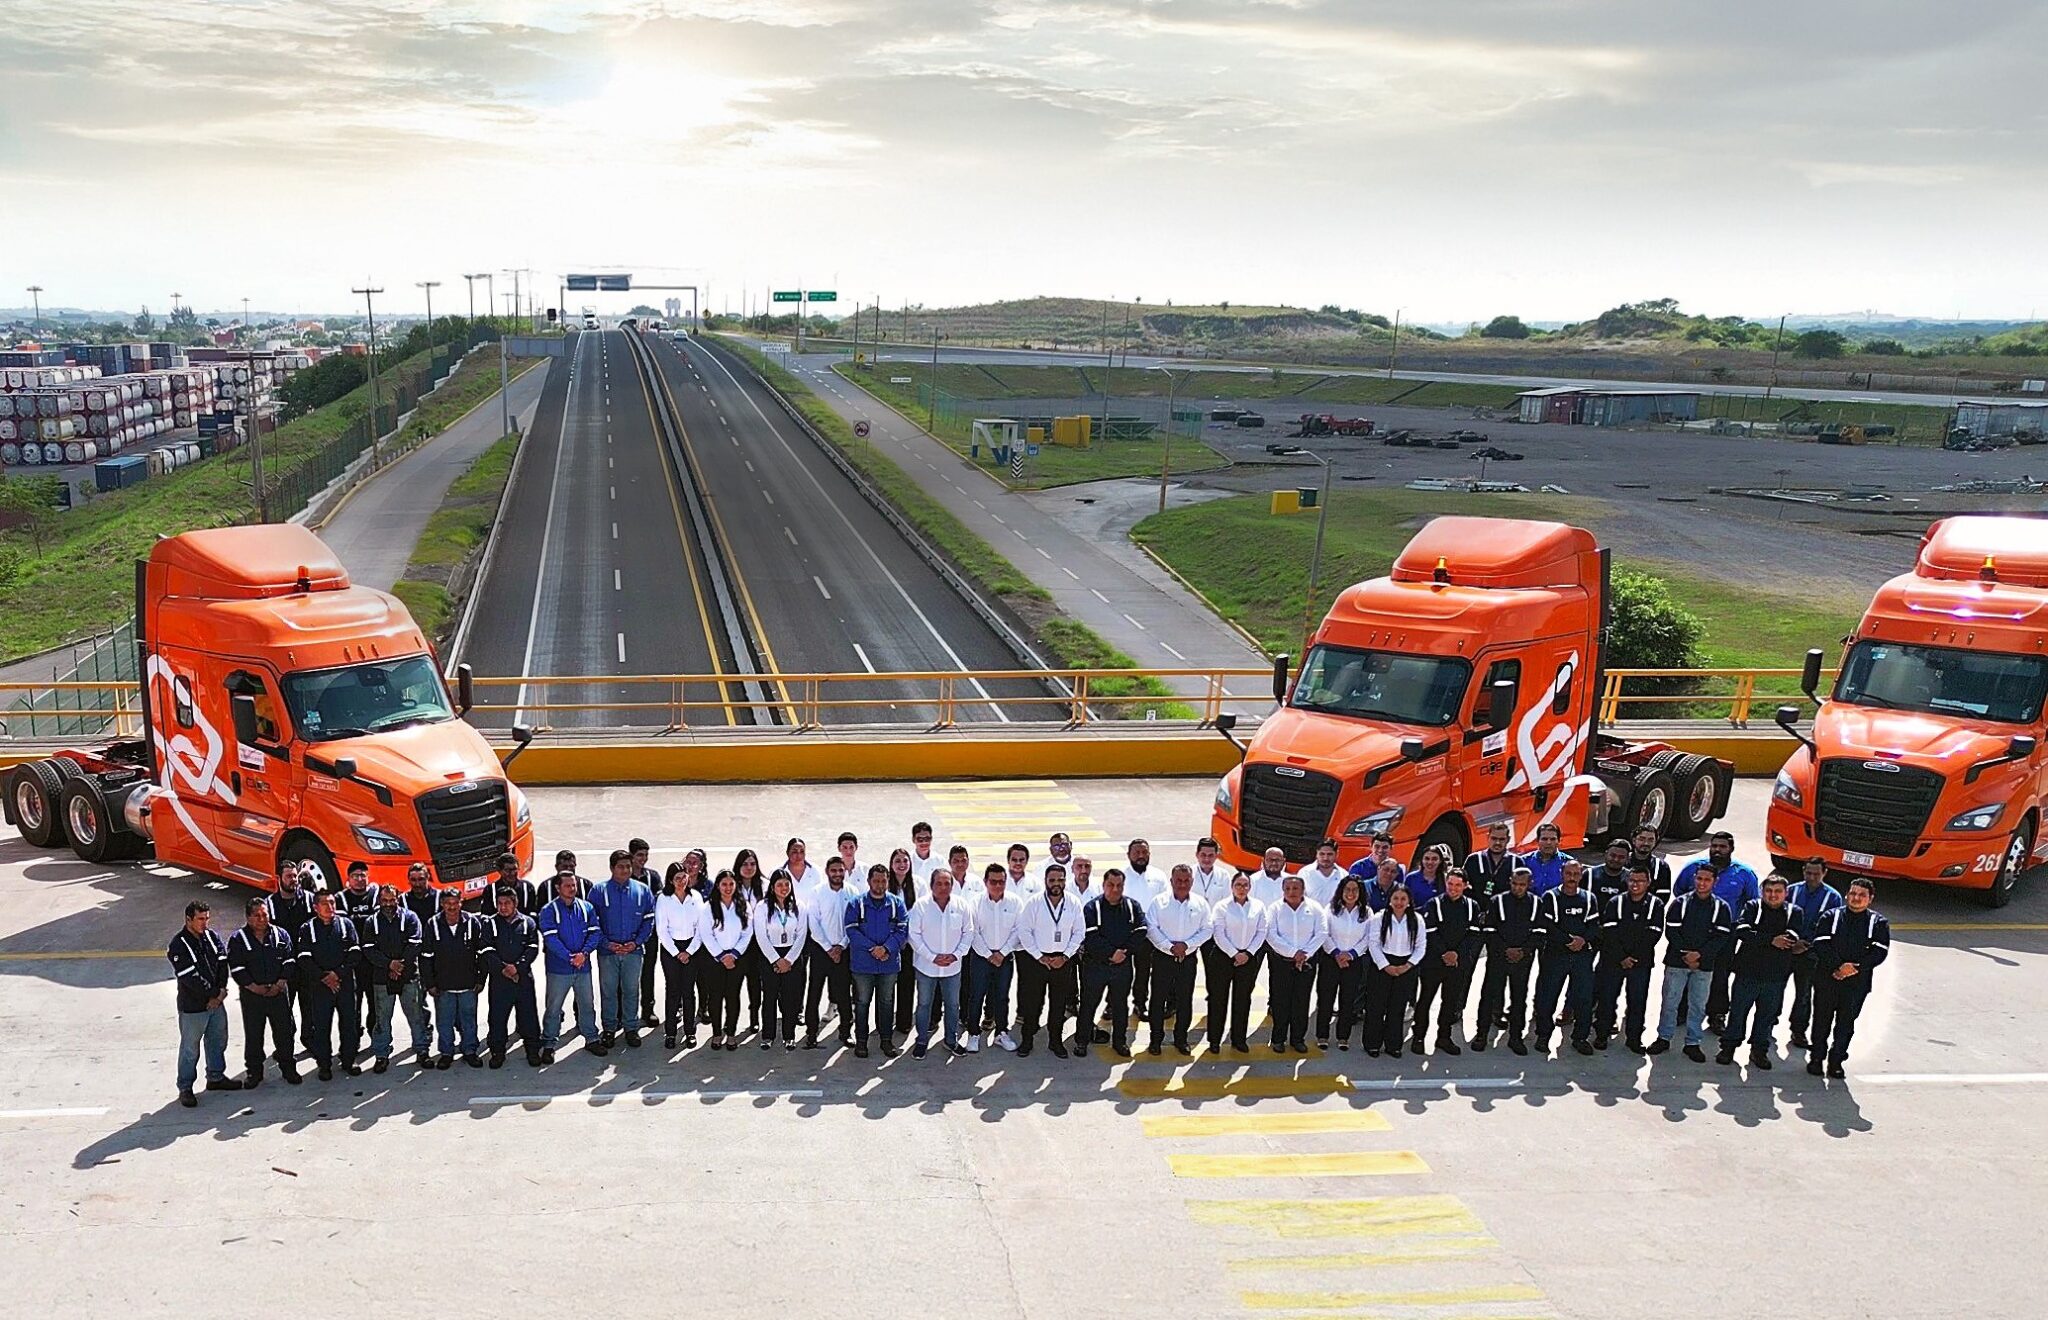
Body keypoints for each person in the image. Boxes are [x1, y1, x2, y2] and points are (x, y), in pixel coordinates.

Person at [1717, 874, 1810, 1068]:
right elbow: (1742, 931)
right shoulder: (1753, 907)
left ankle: (1759, 1051)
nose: (1773, 895)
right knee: (1737, 1013)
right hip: (1747, 973)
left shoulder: (1795, 912)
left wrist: (1759, 938)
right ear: (1762, 892)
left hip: (1775, 977)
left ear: (1786, 893)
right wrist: (1771, 941)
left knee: (1765, 1017)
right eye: (1768, 891)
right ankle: (1728, 1048)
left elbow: (1791, 936)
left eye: (1778, 891)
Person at [1677, 831, 1762, 1033]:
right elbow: (1679, 891)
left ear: (1731, 849)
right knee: (1690, 968)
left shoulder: (1744, 874)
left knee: (1720, 972)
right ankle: (1683, 1010)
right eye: (1714, 846)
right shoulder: (1693, 868)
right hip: (1695, 928)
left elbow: (1752, 902)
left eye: (1722, 847)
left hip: (1727, 931)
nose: (1717, 850)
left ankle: (1717, 1014)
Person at [1806, 878, 1890, 1078]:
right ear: (1846, 895)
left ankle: (1836, 1061)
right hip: (1827, 979)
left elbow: (1879, 952)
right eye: (1853, 893)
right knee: (1820, 1021)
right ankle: (1817, 1058)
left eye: (1862, 895)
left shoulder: (1878, 923)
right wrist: (1838, 966)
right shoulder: (1830, 916)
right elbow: (1820, 944)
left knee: (1846, 1024)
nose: (1856, 898)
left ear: (1870, 899)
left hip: (1856, 984)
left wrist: (1852, 968)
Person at [1651, 866, 1735, 1061]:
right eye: (1699, 878)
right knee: (1670, 1002)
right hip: (1676, 963)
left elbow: (1721, 937)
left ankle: (1693, 1043)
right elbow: (1671, 931)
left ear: (1715, 882)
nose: (1702, 883)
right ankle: (1663, 1038)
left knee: (1698, 1005)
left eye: (1707, 879)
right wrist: (1686, 954)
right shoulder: (1680, 903)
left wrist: (1700, 956)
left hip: (1704, 966)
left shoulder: (1721, 908)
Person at [168, 900, 241, 1107]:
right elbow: (189, 977)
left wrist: (220, 992)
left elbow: (222, 964)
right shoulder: (178, 945)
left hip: (215, 1003)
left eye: (207, 918)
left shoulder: (211, 936)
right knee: (190, 1049)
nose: (204, 923)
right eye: (200, 919)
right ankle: (185, 1087)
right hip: (193, 1008)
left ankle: (216, 1077)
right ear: (188, 919)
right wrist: (213, 995)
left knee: (218, 1040)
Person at [227, 896, 299, 1086]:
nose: (262, 919)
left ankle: (288, 1068)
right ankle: (254, 1073)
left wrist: (280, 983)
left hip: (278, 994)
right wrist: (252, 986)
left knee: (284, 1033)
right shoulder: (238, 940)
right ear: (248, 918)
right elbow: (236, 967)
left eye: (264, 914)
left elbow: (290, 960)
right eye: (257, 915)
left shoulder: (281, 935)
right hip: (252, 996)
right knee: (253, 1035)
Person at [1530, 862, 1599, 1055]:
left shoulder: (1589, 898)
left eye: (1576, 874)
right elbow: (1548, 926)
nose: (1572, 877)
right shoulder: (1551, 897)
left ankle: (1580, 1038)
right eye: (1568, 873)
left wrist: (1582, 940)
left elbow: (1594, 926)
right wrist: (1568, 940)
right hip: (1555, 954)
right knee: (1547, 996)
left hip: (1582, 955)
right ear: (1562, 873)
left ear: (1581, 875)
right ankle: (1543, 1036)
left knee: (1584, 998)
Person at [590, 849, 656, 1050]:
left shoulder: (642, 890)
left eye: (628, 866)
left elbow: (649, 920)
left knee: (631, 990)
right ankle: (609, 1029)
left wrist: (635, 943)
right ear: (612, 868)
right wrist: (606, 943)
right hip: (608, 952)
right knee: (608, 991)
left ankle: (631, 1028)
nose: (625, 870)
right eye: (620, 866)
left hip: (632, 952)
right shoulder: (599, 891)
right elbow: (593, 922)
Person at [1594, 864, 1664, 1053]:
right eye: (1632, 880)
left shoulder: (1655, 905)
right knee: (1607, 998)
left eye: (1640, 881)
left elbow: (1654, 934)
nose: (1636, 884)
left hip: (1641, 963)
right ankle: (1602, 1034)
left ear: (1648, 883)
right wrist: (1622, 956)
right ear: (1627, 881)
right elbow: (1609, 932)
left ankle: (1633, 1039)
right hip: (1613, 961)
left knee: (1637, 1001)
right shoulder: (1615, 902)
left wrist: (1633, 957)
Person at [294, 891, 363, 1080]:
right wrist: (324, 977)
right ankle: (324, 1064)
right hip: (320, 987)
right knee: (321, 1026)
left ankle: (349, 1060)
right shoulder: (307, 928)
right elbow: (304, 958)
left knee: (349, 1023)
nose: (330, 907)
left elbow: (355, 952)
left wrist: (337, 974)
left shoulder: (345, 924)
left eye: (332, 903)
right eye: (325, 904)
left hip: (345, 984)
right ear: (315, 907)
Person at [1016, 864, 1083, 1058]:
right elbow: (1024, 931)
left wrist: (1065, 956)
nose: (1056, 884)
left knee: (1059, 1004)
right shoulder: (1034, 902)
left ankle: (1055, 1041)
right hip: (1038, 961)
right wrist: (1039, 956)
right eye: (1052, 880)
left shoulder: (1073, 903)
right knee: (1033, 1003)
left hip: (1062, 961)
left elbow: (1078, 932)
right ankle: (1027, 1039)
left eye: (1060, 880)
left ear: (1065, 880)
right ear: (1046, 881)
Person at [1078, 868, 1146, 1058]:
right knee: (1088, 1004)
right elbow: (1090, 937)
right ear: (1103, 885)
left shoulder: (1133, 906)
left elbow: (1141, 931)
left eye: (1119, 885)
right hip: (1095, 966)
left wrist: (1124, 952)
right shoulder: (1092, 908)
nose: (1115, 889)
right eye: (1111, 885)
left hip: (1122, 966)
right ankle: (1082, 1041)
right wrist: (1111, 953)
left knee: (1120, 1005)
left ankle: (1120, 1042)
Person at [1146, 865, 1211, 1057]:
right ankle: (1155, 1040)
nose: (1182, 884)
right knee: (1158, 999)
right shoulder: (1159, 902)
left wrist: (1187, 946)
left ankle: (1181, 1039)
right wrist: (1169, 946)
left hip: (1187, 958)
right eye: (1178, 880)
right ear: (1171, 881)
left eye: (1186, 881)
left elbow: (1207, 929)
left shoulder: (1200, 904)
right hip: (1162, 957)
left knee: (1184, 1000)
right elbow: (1151, 927)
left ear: (1192, 882)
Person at [1414, 871, 1483, 1054]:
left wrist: (1456, 954)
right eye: (1450, 884)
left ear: (1465, 886)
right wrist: (1445, 953)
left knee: (1450, 1002)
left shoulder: (1472, 906)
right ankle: (1419, 1036)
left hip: (1457, 964)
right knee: (1425, 1000)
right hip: (1433, 963)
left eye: (1458, 885)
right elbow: (1431, 932)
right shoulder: (1434, 904)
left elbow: (1474, 934)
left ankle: (1444, 1037)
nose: (1453, 889)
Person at [363, 883, 428, 1072]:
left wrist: (398, 965)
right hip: (382, 978)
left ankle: (422, 1050)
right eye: (384, 900)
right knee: (382, 1018)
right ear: (379, 900)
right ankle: (382, 1055)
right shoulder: (371, 922)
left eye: (392, 900)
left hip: (408, 976)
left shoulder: (410, 917)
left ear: (398, 899)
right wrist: (389, 964)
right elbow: (368, 949)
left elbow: (416, 943)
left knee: (416, 1015)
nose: (388, 904)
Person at [845, 863, 908, 1059]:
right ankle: (861, 1042)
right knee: (862, 1003)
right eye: (876, 881)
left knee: (887, 1002)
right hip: (864, 964)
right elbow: (851, 930)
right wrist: (873, 948)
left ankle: (886, 1041)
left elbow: (902, 930)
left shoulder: (897, 904)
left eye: (883, 881)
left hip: (888, 964)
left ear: (888, 881)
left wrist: (887, 948)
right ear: (869, 881)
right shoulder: (857, 904)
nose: (880, 885)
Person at [1473, 867, 1539, 1054]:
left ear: (1529, 884)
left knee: (1519, 999)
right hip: (1498, 959)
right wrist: (1505, 950)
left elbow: (1540, 932)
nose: (1518, 888)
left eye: (1522, 885)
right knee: (1489, 996)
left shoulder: (1536, 903)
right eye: (1515, 884)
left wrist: (1523, 951)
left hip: (1522, 960)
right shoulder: (1497, 901)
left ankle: (1515, 1037)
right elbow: (1489, 930)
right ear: (1510, 882)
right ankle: (1481, 1034)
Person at [539, 871, 604, 1062]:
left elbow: (595, 933)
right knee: (554, 1007)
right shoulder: (549, 911)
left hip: (583, 967)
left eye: (574, 885)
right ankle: (549, 1043)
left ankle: (591, 1038)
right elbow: (550, 939)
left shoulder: (587, 908)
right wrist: (570, 957)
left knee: (587, 1004)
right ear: (558, 888)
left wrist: (583, 954)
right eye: (567, 885)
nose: (572, 889)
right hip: (559, 970)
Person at [908, 869, 972, 1057]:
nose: (943, 888)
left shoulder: (961, 905)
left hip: (952, 967)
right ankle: (921, 1040)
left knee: (953, 1005)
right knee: (924, 1004)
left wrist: (956, 955)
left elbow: (968, 932)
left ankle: (951, 1040)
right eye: (939, 883)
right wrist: (932, 957)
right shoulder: (921, 906)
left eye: (947, 884)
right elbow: (913, 935)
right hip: (926, 966)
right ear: (931, 885)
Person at [420, 889, 487, 1068]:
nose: (451, 907)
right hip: (443, 986)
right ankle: (446, 1053)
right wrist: (430, 984)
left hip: (468, 984)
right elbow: (426, 956)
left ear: (461, 902)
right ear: (442, 904)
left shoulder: (473, 922)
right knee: (444, 1021)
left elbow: (481, 954)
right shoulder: (432, 924)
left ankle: (470, 1051)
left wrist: (481, 979)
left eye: (455, 902)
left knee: (469, 1019)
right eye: (447, 903)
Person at [1783, 857, 1844, 1049]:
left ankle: (1798, 1030)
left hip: (1810, 953)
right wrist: (1792, 942)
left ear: (1824, 873)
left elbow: (1831, 930)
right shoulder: (1791, 891)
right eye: (1808, 873)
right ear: (1803, 871)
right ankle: (1769, 1022)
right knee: (1774, 989)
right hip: (1786, 949)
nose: (1811, 877)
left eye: (1816, 874)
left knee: (1804, 993)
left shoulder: (1832, 898)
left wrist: (1807, 945)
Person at [1264, 875, 1327, 1054]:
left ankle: (1297, 1039)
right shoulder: (1275, 908)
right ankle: (1278, 1039)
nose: (1292, 892)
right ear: (1283, 890)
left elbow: (1321, 932)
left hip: (1306, 962)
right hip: (1282, 962)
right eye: (1288, 889)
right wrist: (1293, 953)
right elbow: (1271, 934)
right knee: (1280, 1001)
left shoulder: (1314, 908)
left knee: (1301, 1001)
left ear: (1303, 890)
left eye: (1296, 888)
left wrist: (1305, 954)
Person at [965, 863, 1022, 1053]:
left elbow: (1018, 930)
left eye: (1001, 882)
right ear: (985, 882)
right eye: (993, 882)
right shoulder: (975, 903)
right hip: (982, 957)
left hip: (1005, 957)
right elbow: (973, 932)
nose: (997, 886)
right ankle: (973, 1034)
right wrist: (989, 955)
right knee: (976, 996)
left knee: (1002, 997)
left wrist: (1002, 953)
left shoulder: (1015, 902)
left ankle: (1001, 1033)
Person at [1206, 872, 1267, 1052]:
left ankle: (1238, 1039)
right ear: (1232, 886)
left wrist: (1248, 953)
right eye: (1238, 885)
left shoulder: (1258, 906)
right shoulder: (1221, 906)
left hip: (1248, 958)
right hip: (1223, 957)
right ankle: (1214, 1040)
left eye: (1245, 885)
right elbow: (1218, 933)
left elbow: (1262, 931)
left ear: (1250, 887)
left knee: (1243, 999)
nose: (1242, 888)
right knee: (1218, 999)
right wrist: (1234, 953)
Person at [1363, 883, 1426, 1057]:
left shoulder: (1417, 919)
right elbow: (1373, 944)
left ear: (1409, 901)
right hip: (1382, 965)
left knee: (1397, 1008)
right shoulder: (1379, 918)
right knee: (1376, 1007)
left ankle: (1393, 1045)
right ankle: (1372, 1044)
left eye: (1403, 899)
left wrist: (1407, 965)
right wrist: (1386, 966)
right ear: (1390, 900)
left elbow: (1421, 946)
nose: (1399, 902)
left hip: (1406, 966)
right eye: (1395, 898)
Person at [483, 885, 542, 1068]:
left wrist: (517, 968)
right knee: (497, 1018)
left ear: (515, 903)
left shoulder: (528, 923)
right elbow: (486, 950)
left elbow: (532, 948)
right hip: (499, 981)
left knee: (528, 1016)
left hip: (523, 979)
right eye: (499, 903)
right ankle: (498, 1052)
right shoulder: (489, 923)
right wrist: (504, 969)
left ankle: (532, 1051)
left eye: (507, 903)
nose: (503, 907)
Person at [801, 855, 854, 1049]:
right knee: (814, 992)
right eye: (834, 870)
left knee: (843, 994)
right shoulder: (817, 892)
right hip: (820, 950)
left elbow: (853, 923)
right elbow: (813, 922)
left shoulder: (852, 892)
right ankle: (811, 1033)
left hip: (843, 950)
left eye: (841, 870)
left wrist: (840, 946)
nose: (838, 874)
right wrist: (828, 947)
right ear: (827, 872)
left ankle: (845, 1032)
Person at [754, 869, 810, 1051]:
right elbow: (761, 936)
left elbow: (801, 935)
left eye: (787, 884)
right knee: (769, 997)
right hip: (770, 955)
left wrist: (789, 960)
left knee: (790, 998)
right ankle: (768, 1035)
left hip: (792, 956)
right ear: (772, 887)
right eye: (779, 884)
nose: (784, 888)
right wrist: (775, 960)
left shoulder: (799, 906)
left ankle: (789, 1035)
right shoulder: (762, 907)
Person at [698, 870, 753, 1051]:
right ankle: (716, 1033)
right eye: (724, 884)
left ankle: (730, 1033)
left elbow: (747, 933)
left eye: (731, 884)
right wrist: (722, 956)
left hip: (737, 959)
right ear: (718, 886)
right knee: (715, 997)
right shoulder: (709, 907)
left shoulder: (743, 905)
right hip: (715, 960)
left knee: (733, 997)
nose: (728, 888)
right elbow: (706, 934)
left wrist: (734, 955)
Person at [653, 861, 703, 1051]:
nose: (682, 881)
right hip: (671, 949)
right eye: (677, 878)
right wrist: (677, 953)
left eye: (684, 877)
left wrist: (689, 951)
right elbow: (662, 929)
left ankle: (690, 1031)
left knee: (689, 991)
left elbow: (700, 927)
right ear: (671, 881)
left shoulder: (696, 897)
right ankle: (671, 1032)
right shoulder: (664, 899)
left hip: (692, 948)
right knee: (673, 991)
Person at [1323, 875, 1371, 1051]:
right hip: (1331, 960)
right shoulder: (1331, 910)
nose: (1351, 893)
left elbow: (1367, 938)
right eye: (1347, 890)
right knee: (1326, 998)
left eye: (1355, 890)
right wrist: (1336, 953)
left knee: (1348, 1000)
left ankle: (1343, 1036)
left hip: (1353, 961)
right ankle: (1323, 1035)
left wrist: (1350, 954)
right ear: (1341, 891)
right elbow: (1324, 934)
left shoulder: (1367, 912)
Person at [399, 863, 439, 1045]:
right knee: (417, 1001)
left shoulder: (439, 898)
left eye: (421, 879)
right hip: (414, 959)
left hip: (438, 958)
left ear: (428, 878)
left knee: (445, 1000)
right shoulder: (403, 901)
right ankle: (424, 1032)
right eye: (413, 880)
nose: (417, 883)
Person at [1122, 840, 1163, 1015]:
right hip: (1123, 932)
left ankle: (1140, 1003)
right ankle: (1112, 1004)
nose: (1140, 856)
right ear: (1128, 855)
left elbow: (1163, 903)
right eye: (1136, 852)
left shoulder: (1158, 876)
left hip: (1147, 932)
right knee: (1120, 970)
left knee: (1143, 970)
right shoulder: (1120, 876)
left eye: (1144, 852)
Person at [625, 839, 663, 1030]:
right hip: (627, 935)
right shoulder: (624, 876)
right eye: (640, 855)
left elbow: (658, 903)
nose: (643, 859)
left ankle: (648, 1010)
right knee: (626, 975)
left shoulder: (653, 877)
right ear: (631, 855)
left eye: (646, 855)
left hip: (649, 934)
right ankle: (622, 1012)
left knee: (647, 972)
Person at [732, 849, 769, 1035]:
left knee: (756, 983)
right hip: (736, 943)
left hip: (758, 943)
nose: (749, 868)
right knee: (733, 984)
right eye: (745, 864)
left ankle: (754, 1018)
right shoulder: (731, 885)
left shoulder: (765, 885)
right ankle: (730, 1021)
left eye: (752, 864)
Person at [887, 848, 921, 1040]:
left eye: (905, 861)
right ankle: (884, 1020)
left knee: (907, 983)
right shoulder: (885, 884)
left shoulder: (919, 885)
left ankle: (904, 1021)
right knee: (887, 985)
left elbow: (919, 913)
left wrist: (906, 938)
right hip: (890, 943)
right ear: (891, 864)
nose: (901, 864)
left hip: (910, 943)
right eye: (897, 861)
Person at [1461, 822, 1517, 903]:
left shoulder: (1516, 862)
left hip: (1504, 911)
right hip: (1477, 910)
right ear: (1488, 837)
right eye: (1494, 838)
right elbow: (1462, 886)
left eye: (1502, 839)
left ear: (1508, 839)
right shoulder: (1473, 859)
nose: (1497, 843)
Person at [1587, 838, 1635, 912]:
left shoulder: (1632, 879)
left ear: (1628, 858)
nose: (1616, 859)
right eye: (1613, 855)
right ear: (1606, 854)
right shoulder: (1589, 875)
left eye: (1621, 857)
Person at [1298, 838, 1347, 906]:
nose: (1325, 858)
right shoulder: (1305, 873)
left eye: (1329, 854)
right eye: (1322, 854)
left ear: (1336, 854)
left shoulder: (1344, 875)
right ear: (1316, 854)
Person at [1521, 823, 1567, 895]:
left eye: (1552, 839)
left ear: (1559, 841)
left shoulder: (1568, 863)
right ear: (1537, 840)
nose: (1548, 842)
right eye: (1544, 839)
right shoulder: (1524, 861)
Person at [1630, 827, 1676, 895]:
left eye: (1650, 840)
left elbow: (1664, 893)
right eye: (1642, 839)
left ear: (1655, 842)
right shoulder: (1622, 861)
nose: (1646, 843)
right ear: (1634, 841)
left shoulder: (1661, 866)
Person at [1403, 844, 1449, 911]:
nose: (1430, 862)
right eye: (1427, 859)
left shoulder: (1446, 880)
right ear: (1422, 860)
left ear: (1440, 861)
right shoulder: (1411, 878)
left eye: (1434, 859)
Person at [1191, 837, 1230, 905]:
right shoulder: (1189, 874)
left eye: (1211, 855)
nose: (1207, 859)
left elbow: (1227, 900)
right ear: (1197, 855)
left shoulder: (1223, 875)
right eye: (1203, 855)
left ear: (1216, 856)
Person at [908, 822, 945, 889]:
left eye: (927, 839)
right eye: (920, 839)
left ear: (931, 839)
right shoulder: (907, 860)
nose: (924, 842)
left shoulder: (940, 860)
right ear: (913, 840)